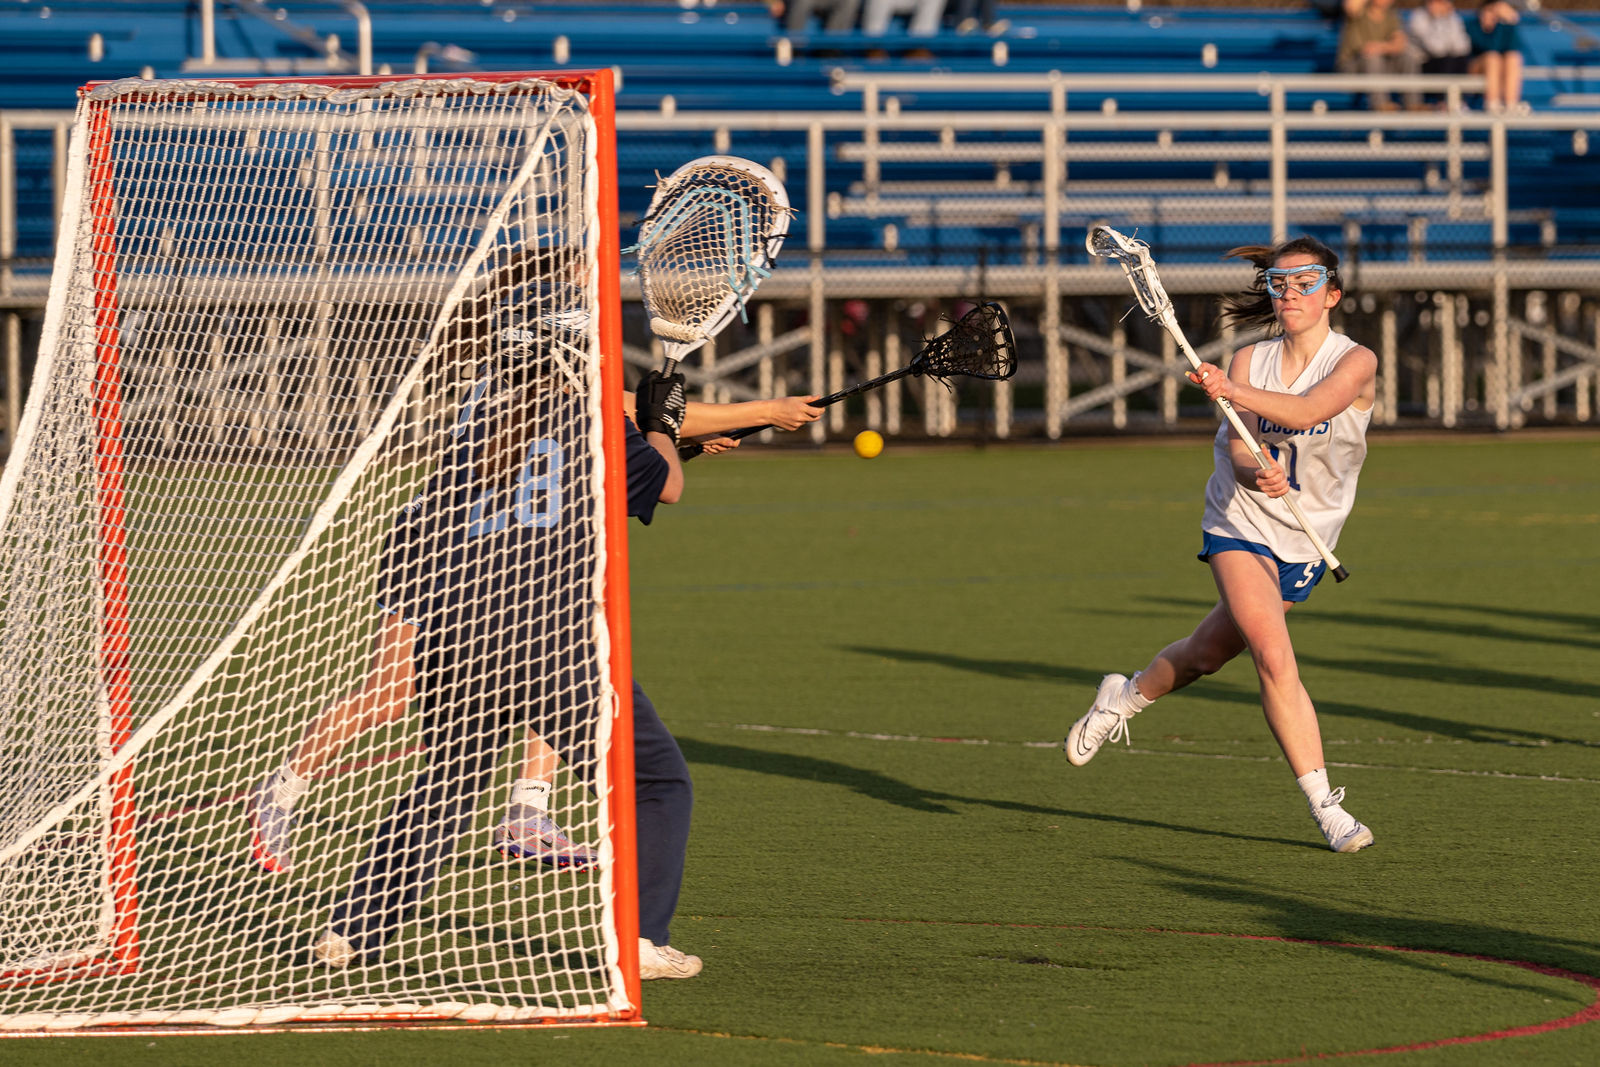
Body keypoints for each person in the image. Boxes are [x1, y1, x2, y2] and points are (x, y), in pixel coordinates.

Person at [1061, 235, 1378, 855]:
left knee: (1208, 654)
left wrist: (1235, 398)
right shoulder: (1245, 362)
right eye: (1279, 284)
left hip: (1308, 536)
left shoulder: (1355, 361)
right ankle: (1327, 806)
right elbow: (1239, 451)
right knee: (1273, 653)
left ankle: (1123, 696)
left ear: (1332, 295)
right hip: (1240, 522)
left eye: (1305, 282)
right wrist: (1255, 469)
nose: (1290, 294)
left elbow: (1310, 407)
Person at [1337, 0, 1423, 111]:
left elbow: (1399, 44)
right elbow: (1351, 7)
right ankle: (1380, 105)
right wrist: (1381, 48)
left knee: (1408, 57)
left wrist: (1379, 47)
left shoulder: (1391, 15)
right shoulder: (1360, 11)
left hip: (1380, 64)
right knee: (1372, 58)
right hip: (1352, 66)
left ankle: (1413, 105)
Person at [1408, 0, 1473, 106]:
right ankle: (1443, 101)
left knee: (1460, 59)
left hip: (1448, 61)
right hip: (1424, 64)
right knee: (1446, 60)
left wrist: (1448, 18)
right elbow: (1436, 48)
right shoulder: (1418, 17)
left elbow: (1462, 47)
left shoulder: (1452, 17)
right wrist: (1438, 19)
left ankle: (1459, 101)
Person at [1466, 0, 1525, 113]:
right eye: (1489, 11)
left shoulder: (1501, 26)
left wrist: (1511, 22)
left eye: (1495, 13)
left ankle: (1511, 104)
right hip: (1474, 68)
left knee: (1513, 57)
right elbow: (1489, 47)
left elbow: (1513, 46)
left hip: (1496, 67)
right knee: (1492, 58)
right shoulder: (1472, 26)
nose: (1491, 15)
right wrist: (1497, 28)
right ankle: (1492, 104)